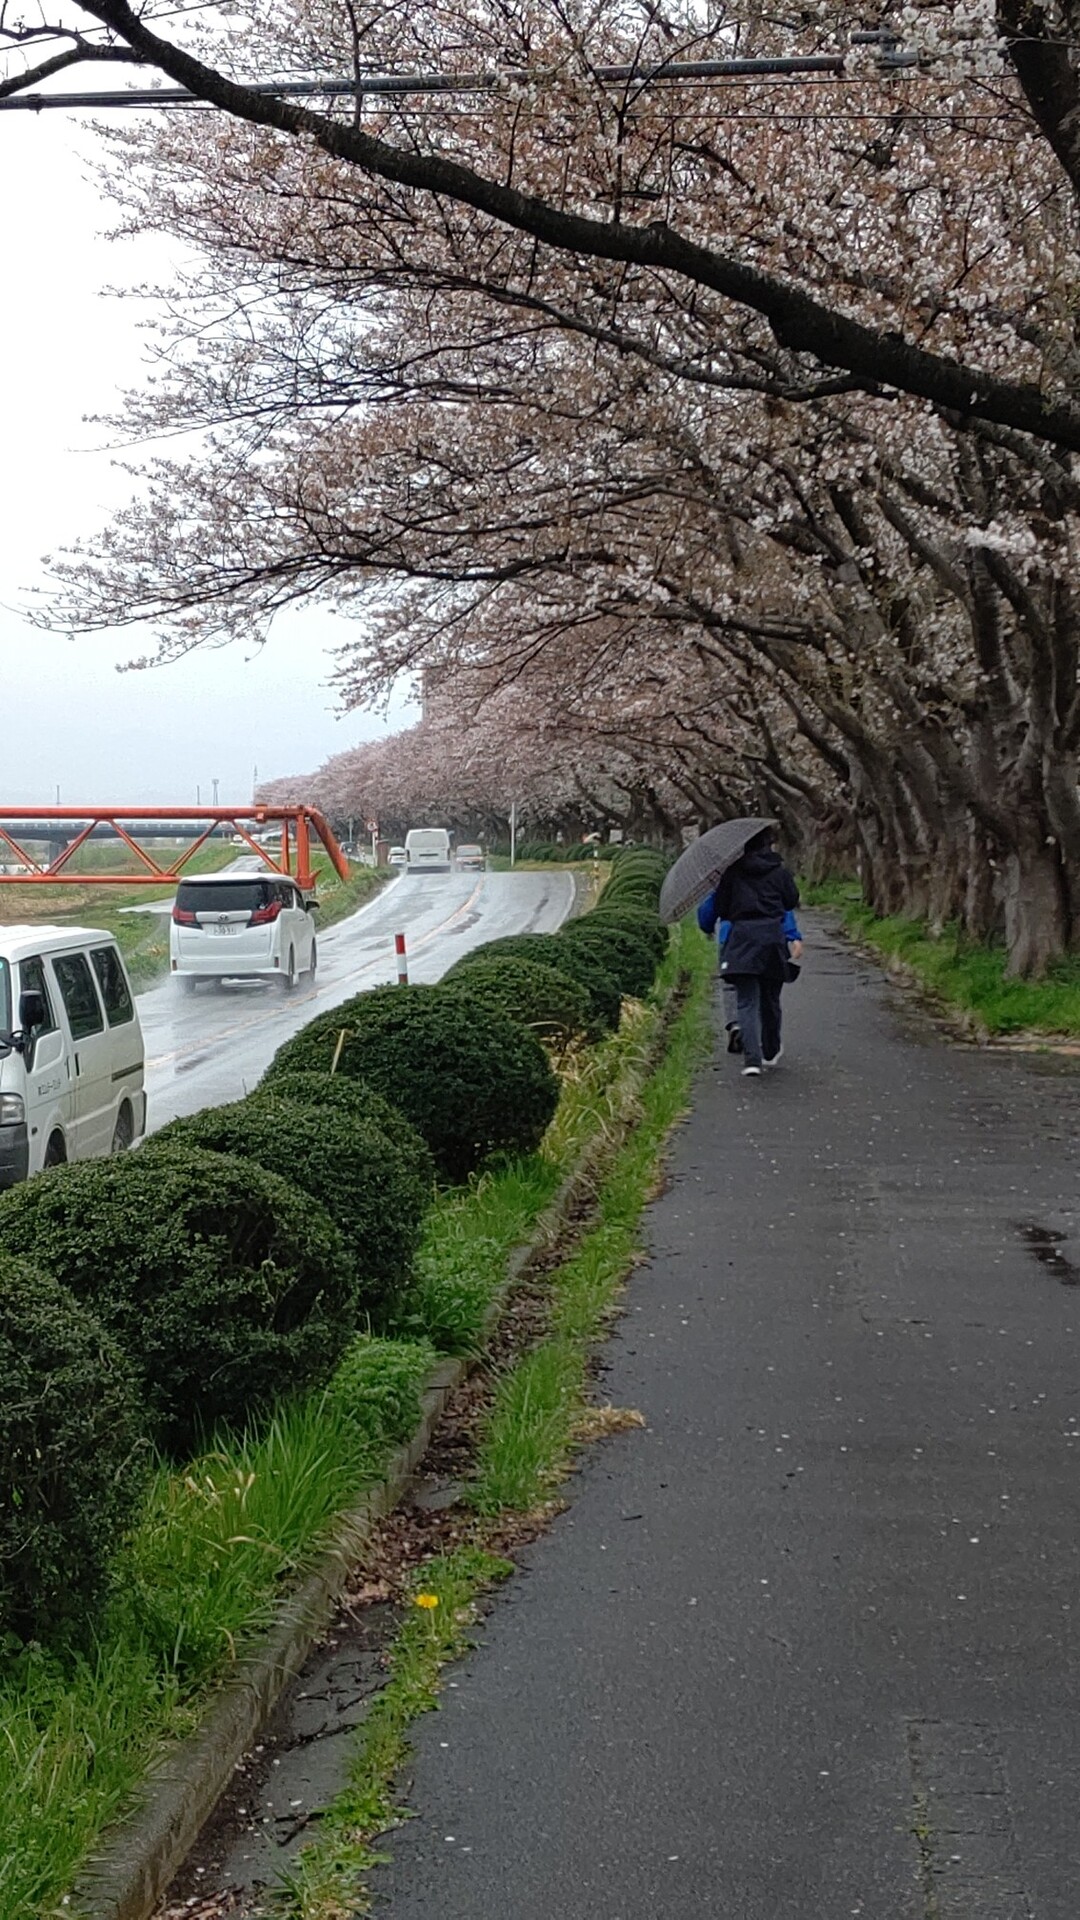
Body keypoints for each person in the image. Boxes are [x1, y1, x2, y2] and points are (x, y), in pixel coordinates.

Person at [697, 830, 802, 1077]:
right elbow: (790, 901)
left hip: (741, 939)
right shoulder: (780, 872)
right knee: (770, 999)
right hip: (772, 940)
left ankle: (752, 1059)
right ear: (769, 845)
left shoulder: (731, 874)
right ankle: (771, 1050)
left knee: (745, 1000)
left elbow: (721, 907)